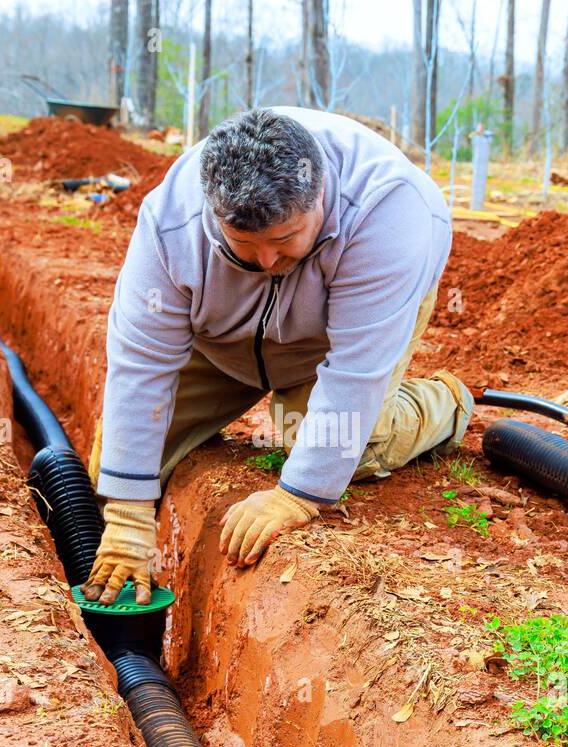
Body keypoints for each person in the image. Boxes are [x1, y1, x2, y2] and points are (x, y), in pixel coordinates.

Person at [83, 107, 473, 605]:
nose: (266, 262)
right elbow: (141, 365)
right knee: (112, 470)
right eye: (243, 244)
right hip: (221, 335)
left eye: (284, 240)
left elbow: (355, 371)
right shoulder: (172, 220)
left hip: (331, 338)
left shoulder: (390, 216)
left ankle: (446, 404)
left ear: (321, 197)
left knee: (348, 446)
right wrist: (128, 522)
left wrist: (297, 495)